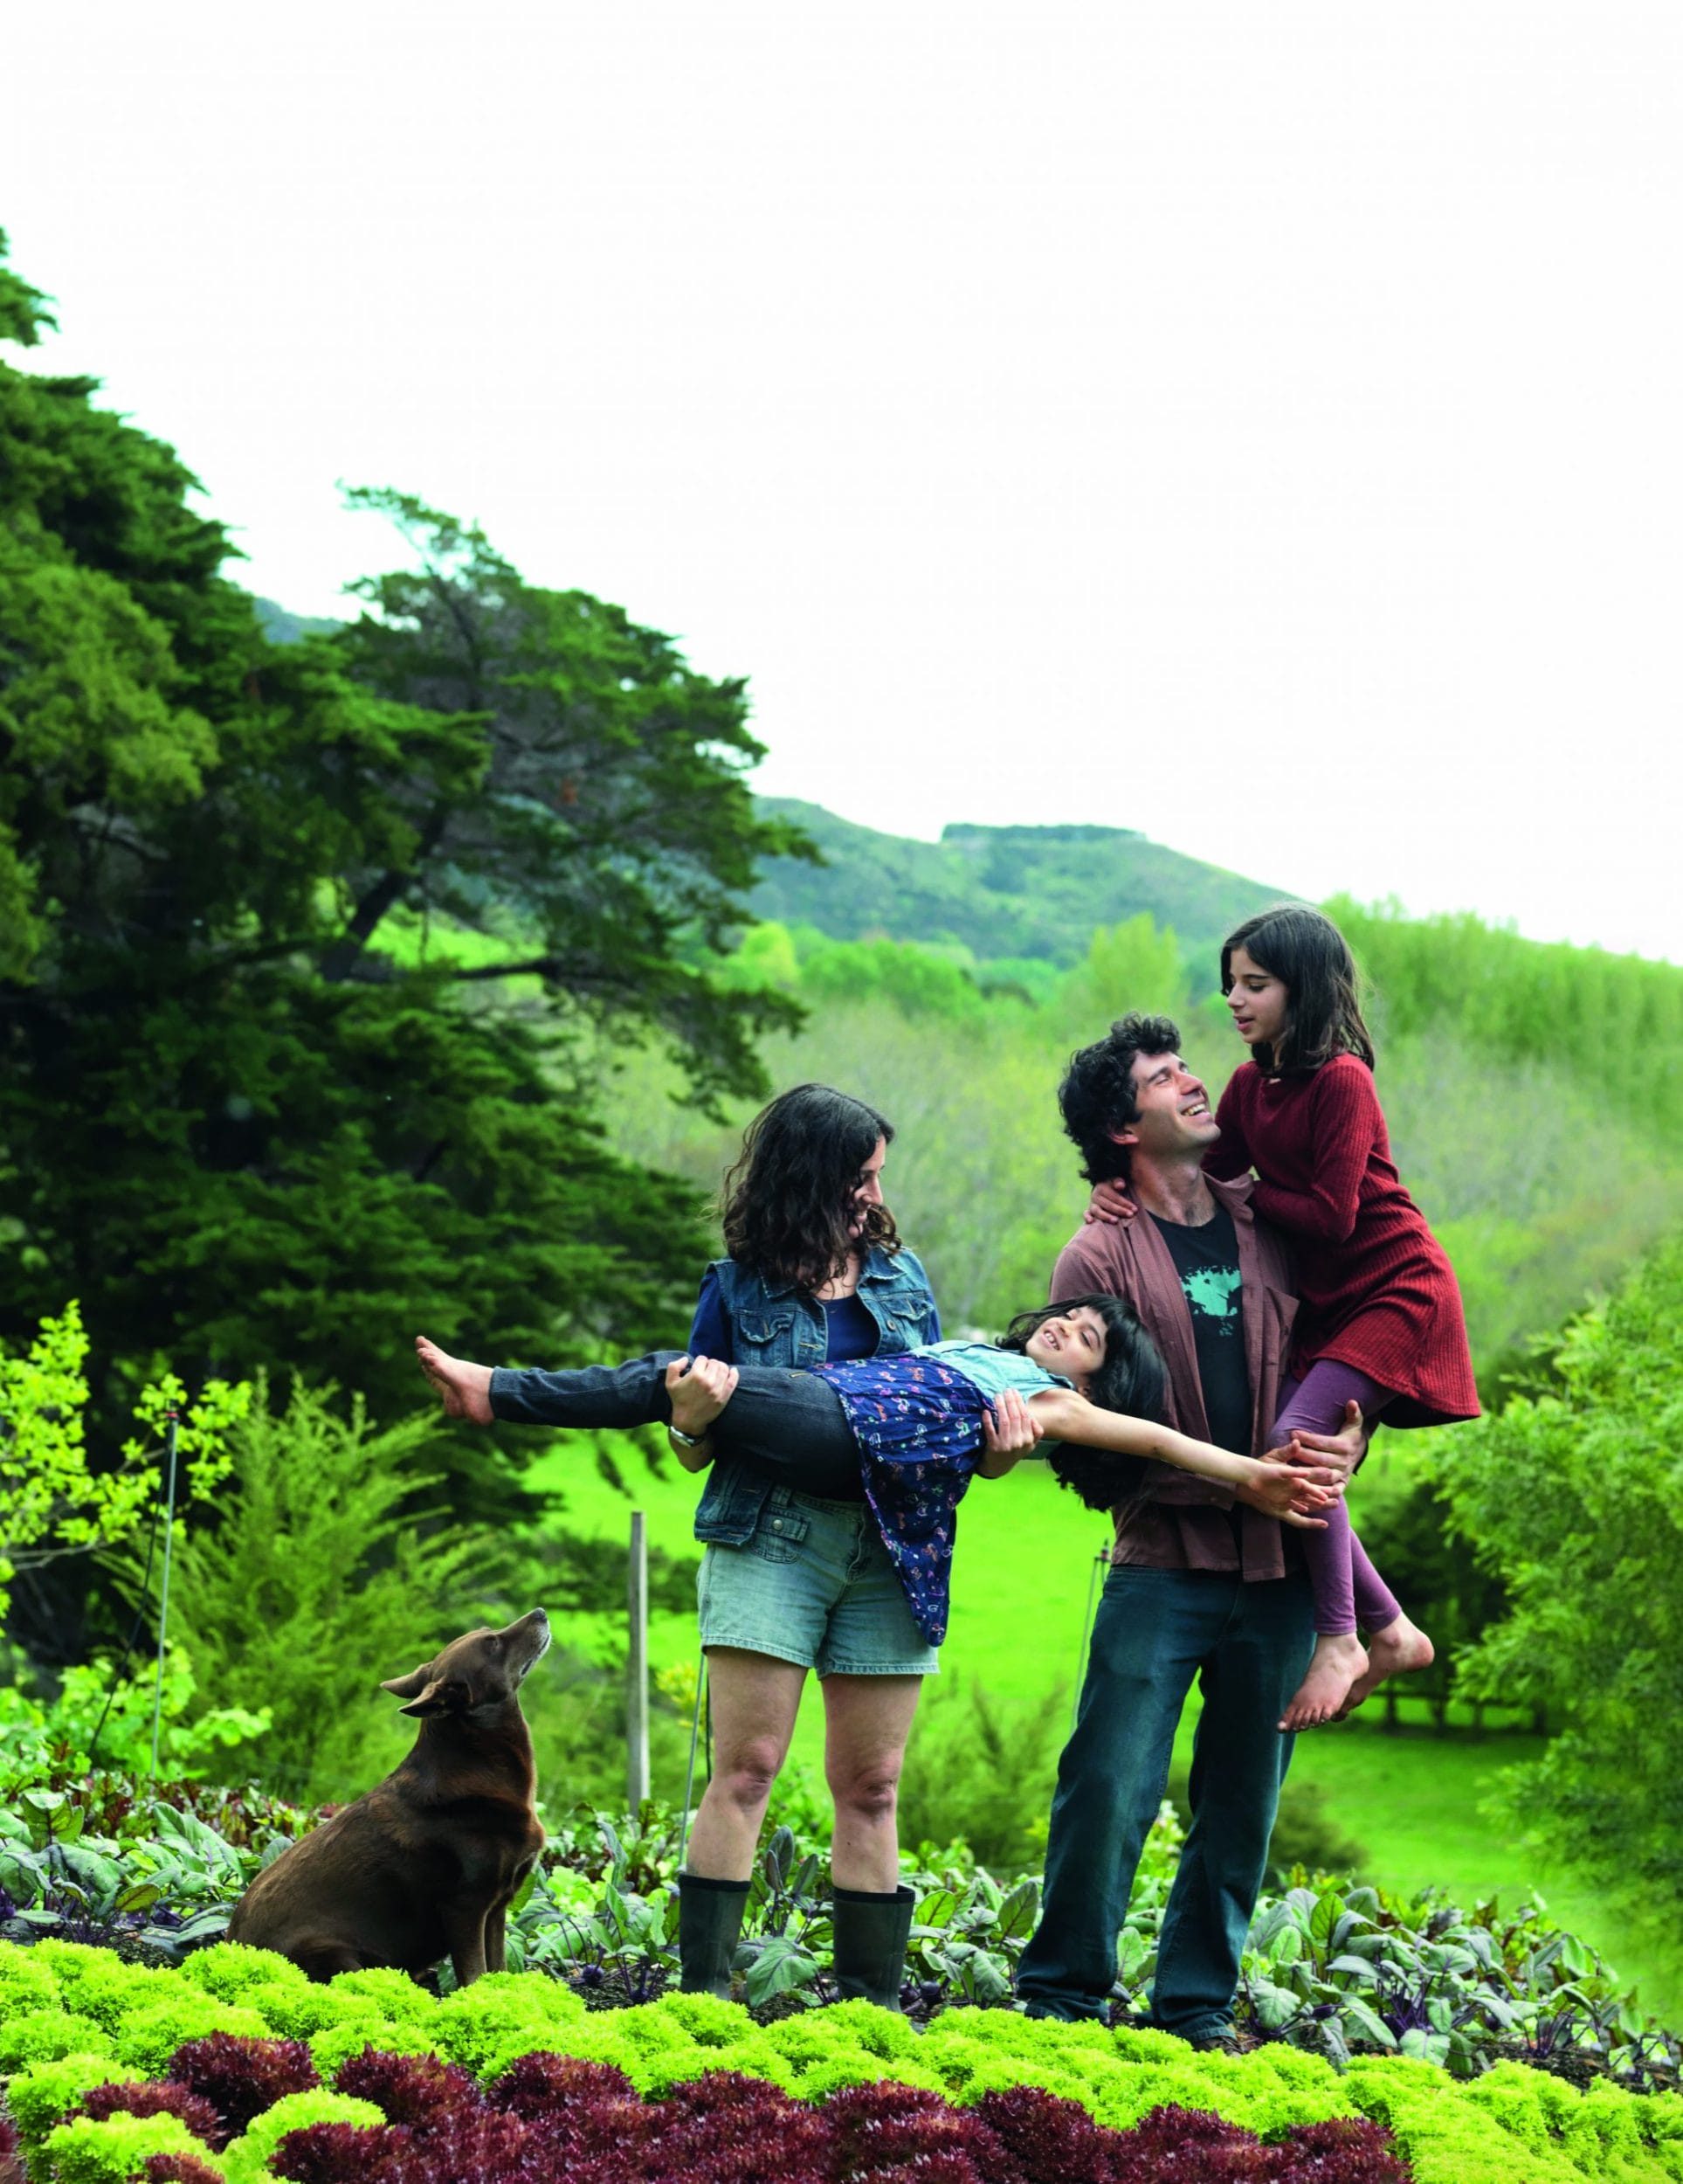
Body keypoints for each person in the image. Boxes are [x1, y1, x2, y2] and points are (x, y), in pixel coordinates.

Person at [1013, 1013, 1367, 2037]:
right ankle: (1061, 1998)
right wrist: (1217, 1476)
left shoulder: (1269, 1221)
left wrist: (1350, 1442)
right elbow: (1083, 1430)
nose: (1191, 1081)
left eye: (1184, 1066)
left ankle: (1194, 2006)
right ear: (1122, 1129)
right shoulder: (1097, 1252)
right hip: (1161, 1563)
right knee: (1109, 1782)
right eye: (1164, 1078)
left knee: (1243, 1799)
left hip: (1284, 1568)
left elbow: (1342, 1362)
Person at [1091, 908, 1476, 1728]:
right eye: (1229, 982)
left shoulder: (1341, 1080)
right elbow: (1206, 1177)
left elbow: (1333, 1216)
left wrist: (1252, 1189)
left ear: (1302, 991)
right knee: (1300, 1449)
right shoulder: (1245, 1086)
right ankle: (1393, 1630)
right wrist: (1116, 1182)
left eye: (1254, 985)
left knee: (1289, 1443)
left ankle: (1342, 1636)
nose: (1234, 999)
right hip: (1331, 1302)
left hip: (1394, 1287)